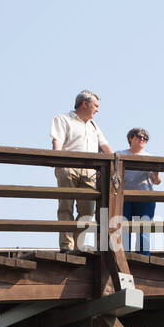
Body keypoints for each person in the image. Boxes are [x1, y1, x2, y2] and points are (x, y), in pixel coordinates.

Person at [50, 90, 112, 251]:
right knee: (66, 206)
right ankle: (67, 245)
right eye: (95, 105)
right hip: (68, 166)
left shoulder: (93, 125)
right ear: (85, 104)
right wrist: (58, 161)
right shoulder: (63, 118)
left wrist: (116, 162)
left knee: (88, 210)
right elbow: (57, 142)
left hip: (90, 171)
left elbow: (105, 147)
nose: (98, 109)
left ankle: (78, 245)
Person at [120, 127, 161, 254]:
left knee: (143, 230)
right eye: (139, 136)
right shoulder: (120, 154)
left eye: (145, 138)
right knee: (124, 228)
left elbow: (157, 181)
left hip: (145, 198)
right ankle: (124, 256)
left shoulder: (150, 157)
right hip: (124, 197)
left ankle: (143, 257)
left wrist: (156, 170)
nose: (142, 139)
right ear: (130, 138)